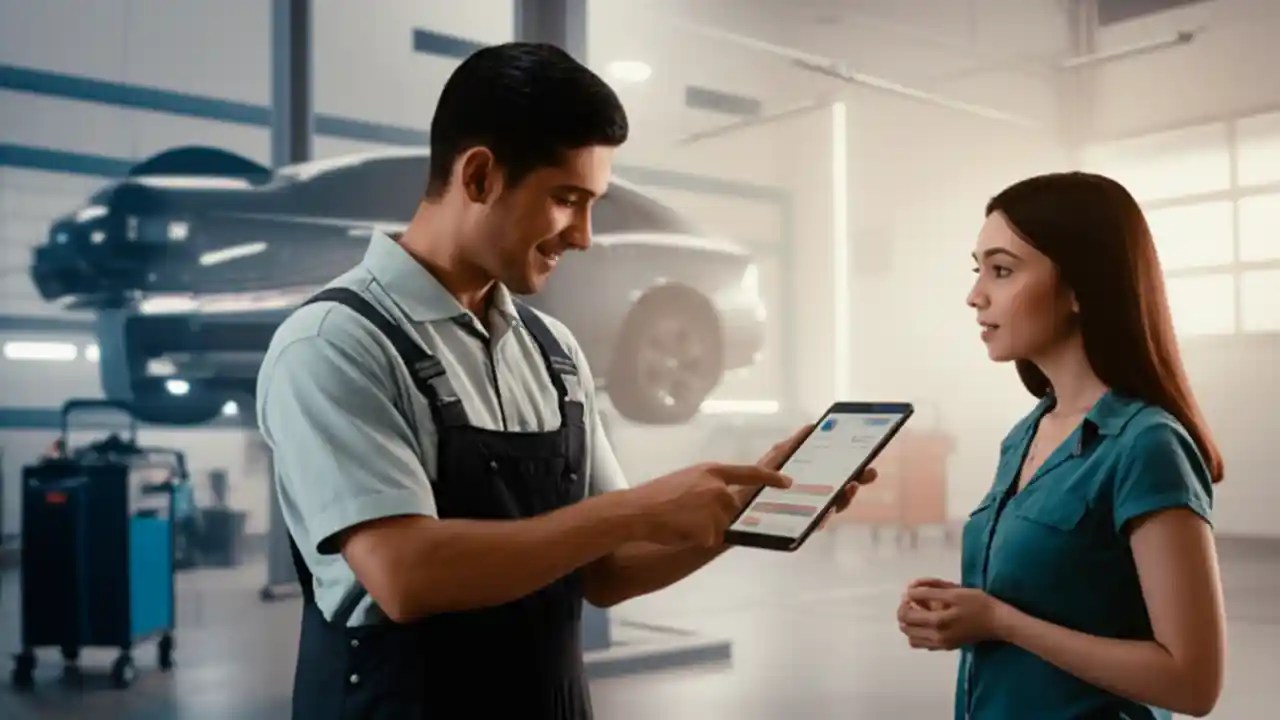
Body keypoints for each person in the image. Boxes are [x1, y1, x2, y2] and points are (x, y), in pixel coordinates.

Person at [257, 42, 874, 720]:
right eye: (566, 199)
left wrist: (739, 515)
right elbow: (405, 574)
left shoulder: (553, 352)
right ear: (481, 176)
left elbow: (607, 570)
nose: (582, 235)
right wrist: (639, 507)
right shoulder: (334, 345)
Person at [896, 172, 1226, 719]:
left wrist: (999, 621)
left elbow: (1192, 684)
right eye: (978, 271)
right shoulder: (1025, 435)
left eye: (1002, 270)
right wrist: (957, 612)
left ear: (1080, 286)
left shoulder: (1148, 445)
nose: (975, 295)